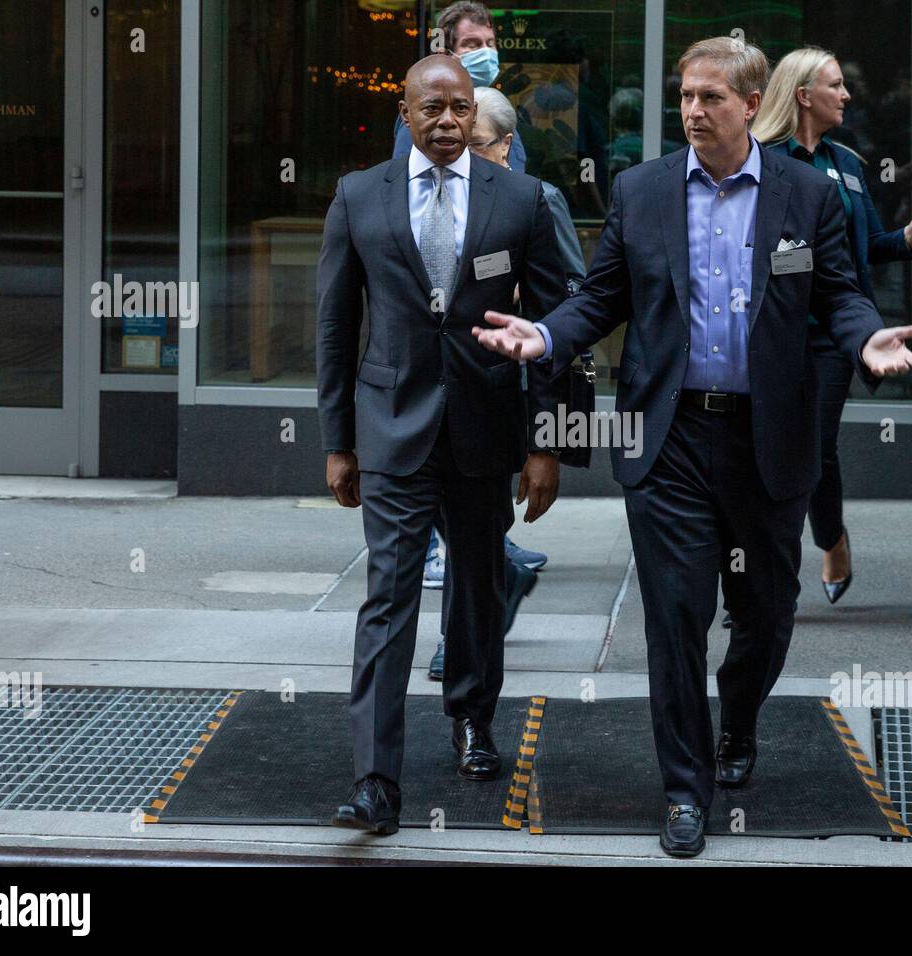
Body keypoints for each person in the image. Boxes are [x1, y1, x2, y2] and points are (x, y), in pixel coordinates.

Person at [472, 37, 912, 857]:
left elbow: (841, 295)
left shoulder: (805, 194)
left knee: (765, 615)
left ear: (752, 105)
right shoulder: (642, 191)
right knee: (674, 618)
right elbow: (601, 296)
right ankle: (685, 792)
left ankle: (738, 717)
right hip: (671, 440)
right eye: (685, 96)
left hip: (767, 440)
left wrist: (867, 343)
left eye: (711, 97)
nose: (692, 110)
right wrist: (544, 335)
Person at [317, 54, 567, 835]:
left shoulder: (521, 199)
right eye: (434, 109)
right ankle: (374, 780)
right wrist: (338, 441)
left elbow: (560, 327)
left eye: (461, 108)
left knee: (477, 587)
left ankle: (471, 720)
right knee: (388, 598)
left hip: (487, 431)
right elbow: (333, 328)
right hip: (390, 429)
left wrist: (547, 442)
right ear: (406, 114)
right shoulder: (359, 196)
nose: (450, 122)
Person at [750, 47, 912, 604]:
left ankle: (830, 538)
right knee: (761, 446)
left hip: (833, 334)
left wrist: (907, 240)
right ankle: (756, 574)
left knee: (814, 446)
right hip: (771, 330)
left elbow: (855, 253)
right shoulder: (759, 160)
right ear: (804, 95)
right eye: (835, 86)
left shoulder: (849, 166)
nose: (847, 95)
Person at [424, 86, 589, 682]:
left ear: (505, 145)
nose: (458, 152)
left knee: (477, 521)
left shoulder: (535, 201)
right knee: (460, 523)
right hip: (436, 389)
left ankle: (459, 641)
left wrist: (523, 305)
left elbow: (574, 298)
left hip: (509, 386)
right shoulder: (429, 197)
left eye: (475, 143)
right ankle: (501, 579)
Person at [393, 2, 529, 174]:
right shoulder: (424, 115)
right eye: (473, 45)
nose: (486, 52)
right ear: (446, 52)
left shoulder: (496, 106)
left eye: (490, 43)